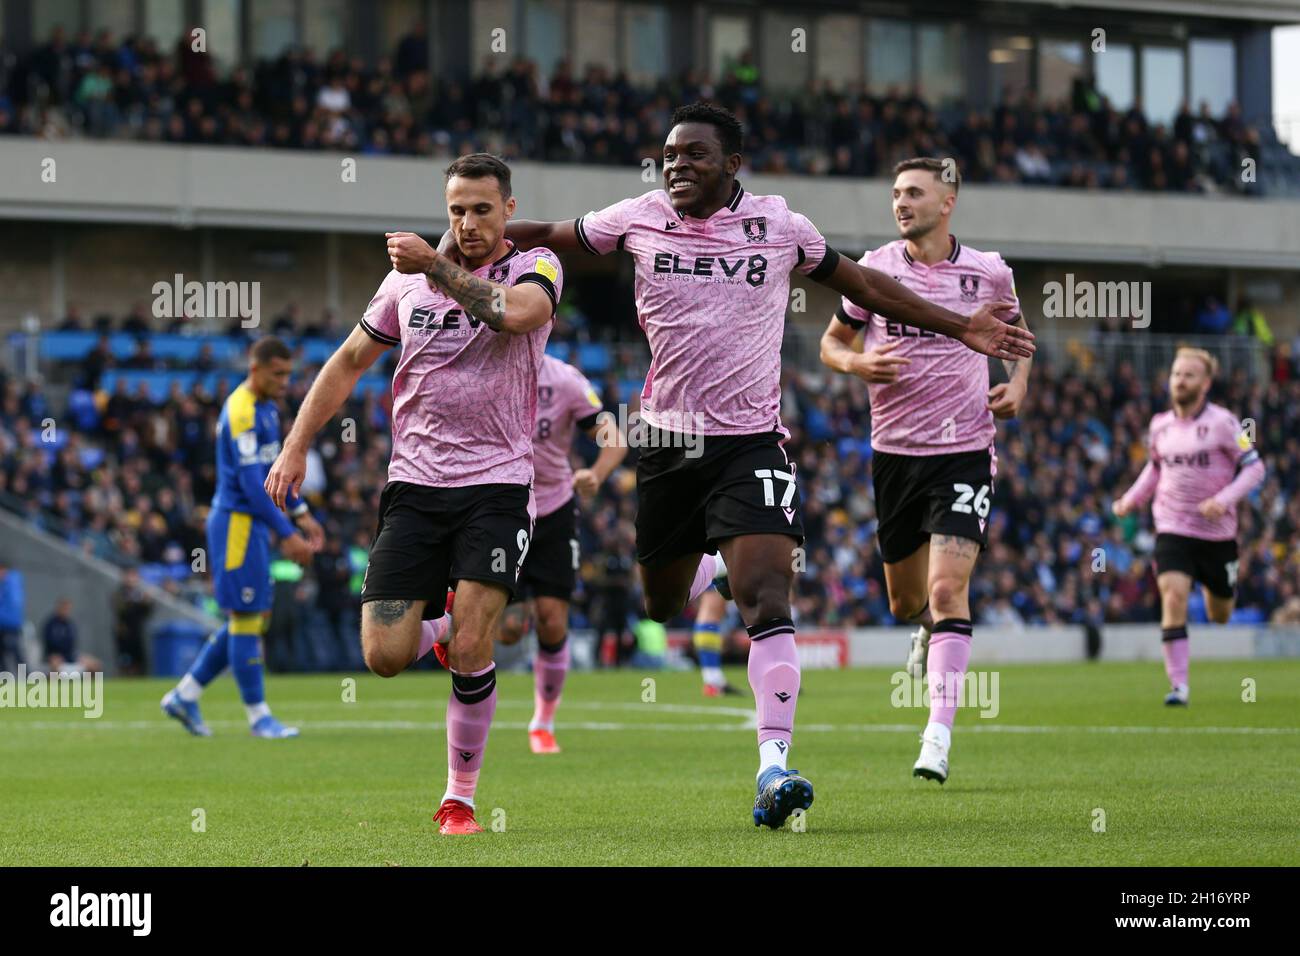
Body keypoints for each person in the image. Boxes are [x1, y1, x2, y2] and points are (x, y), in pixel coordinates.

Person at [488, 102, 1032, 829]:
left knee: (769, 599)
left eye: (695, 155)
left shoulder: (781, 226)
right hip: (668, 438)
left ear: (733, 164)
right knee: (662, 601)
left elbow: (863, 288)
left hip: (751, 440)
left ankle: (773, 768)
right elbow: (556, 236)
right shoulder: (641, 215)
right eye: (671, 154)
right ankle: (708, 565)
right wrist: (477, 241)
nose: (678, 165)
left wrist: (962, 324)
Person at [266, 153, 563, 835]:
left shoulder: (535, 267)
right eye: (457, 209)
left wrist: (434, 264)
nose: (468, 222)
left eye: (482, 209)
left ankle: (459, 798)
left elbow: (512, 316)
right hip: (416, 489)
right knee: (383, 657)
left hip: (497, 486)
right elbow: (347, 361)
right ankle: (441, 627)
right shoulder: (403, 285)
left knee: (473, 649)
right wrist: (296, 442)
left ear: (509, 210)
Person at [820, 156, 1031, 785]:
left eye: (914, 192)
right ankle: (926, 634)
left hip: (964, 450)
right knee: (907, 600)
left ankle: (936, 736)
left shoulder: (989, 272)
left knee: (946, 591)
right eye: (894, 193)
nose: (901, 202)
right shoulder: (875, 269)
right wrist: (855, 366)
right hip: (895, 455)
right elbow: (832, 343)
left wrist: (1018, 384)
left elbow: (1021, 341)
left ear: (948, 202)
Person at [426, 354, 627, 754]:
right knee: (509, 629)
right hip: (502, 507)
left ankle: (543, 722)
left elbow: (614, 438)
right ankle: (458, 618)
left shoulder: (566, 380)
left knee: (553, 619)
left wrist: (596, 474)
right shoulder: (483, 367)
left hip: (553, 510)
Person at [161, 337, 321, 738]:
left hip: (250, 525)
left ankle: (185, 694)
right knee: (246, 618)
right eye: (278, 374)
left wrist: (300, 512)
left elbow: (272, 471)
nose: (285, 382)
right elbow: (252, 484)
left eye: (289, 374)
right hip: (236, 524)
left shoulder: (266, 406)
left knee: (246, 619)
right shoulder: (243, 410)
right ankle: (258, 716)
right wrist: (286, 534)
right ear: (256, 369)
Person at [1112, 348, 1265, 705]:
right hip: (1171, 527)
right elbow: (1154, 468)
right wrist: (1131, 499)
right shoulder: (1159, 425)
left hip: (1217, 534)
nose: (1180, 380)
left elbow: (1255, 467)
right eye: (1176, 374)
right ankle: (1179, 686)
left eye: (1189, 375)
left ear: (1205, 383)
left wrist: (1223, 500)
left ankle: (1221, 591)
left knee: (1220, 614)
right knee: (1173, 594)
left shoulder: (1226, 423)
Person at [42, 597, 102, 673]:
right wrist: (54, 656)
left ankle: (88, 685)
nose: (66, 611)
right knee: (54, 666)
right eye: (64, 608)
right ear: (58, 608)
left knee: (95, 664)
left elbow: (73, 645)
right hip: (56, 657)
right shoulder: (51, 624)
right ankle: (55, 684)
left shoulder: (70, 624)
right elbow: (49, 644)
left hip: (71, 656)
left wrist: (77, 657)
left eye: (68, 608)